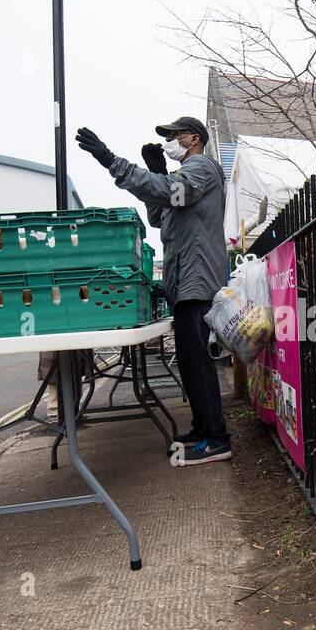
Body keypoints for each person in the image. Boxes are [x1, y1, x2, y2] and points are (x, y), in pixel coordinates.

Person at [75, 116, 231, 465]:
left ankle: (217, 439)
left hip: (197, 280)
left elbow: (169, 192)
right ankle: (204, 427)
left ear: (193, 138)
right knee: (190, 363)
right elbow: (160, 215)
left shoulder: (202, 167)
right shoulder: (184, 176)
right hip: (185, 281)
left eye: (174, 135)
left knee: (198, 362)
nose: (169, 140)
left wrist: (112, 161)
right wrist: (159, 173)